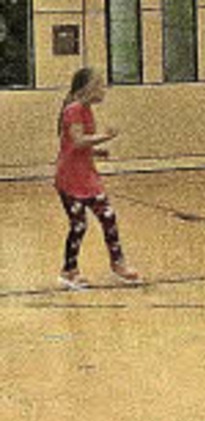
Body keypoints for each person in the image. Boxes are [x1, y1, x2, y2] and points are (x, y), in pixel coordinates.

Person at [54, 67, 137, 290]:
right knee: (79, 225)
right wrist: (105, 137)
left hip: (87, 176)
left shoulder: (86, 109)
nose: (103, 89)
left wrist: (97, 151)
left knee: (108, 216)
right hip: (70, 178)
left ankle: (118, 264)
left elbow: (78, 144)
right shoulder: (73, 109)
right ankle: (69, 271)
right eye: (99, 85)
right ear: (87, 88)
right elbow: (78, 141)